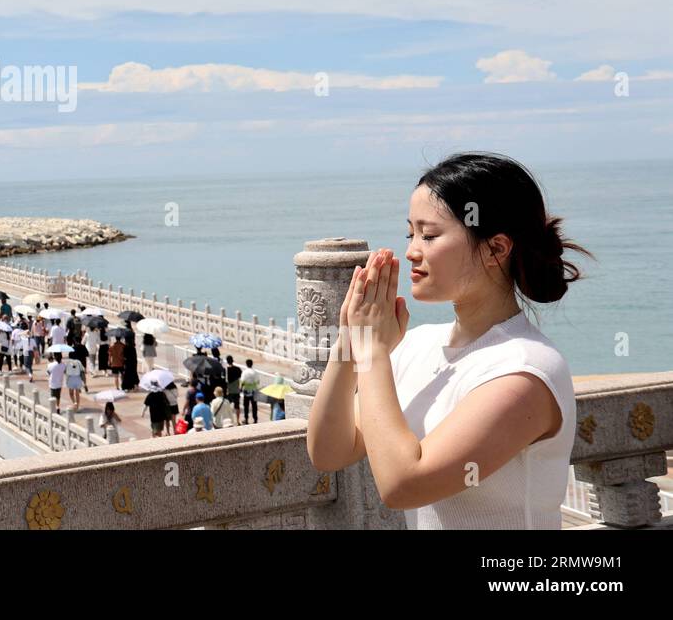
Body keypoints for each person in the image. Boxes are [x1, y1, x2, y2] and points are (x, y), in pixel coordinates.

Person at [305, 152, 586, 529]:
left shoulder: (526, 371)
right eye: (411, 233)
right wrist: (350, 343)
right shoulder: (418, 346)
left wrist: (373, 351)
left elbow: (404, 483)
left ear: (496, 249)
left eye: (430, 235)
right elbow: (329, 451)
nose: (411, 251)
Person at [241, 358, 261, 424]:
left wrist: (241, 388)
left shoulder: (244, 372)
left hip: (246, 391)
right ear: (252, 364)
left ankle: (246, 419)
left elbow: (242, 381)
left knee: (246, 406)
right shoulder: (255, 372)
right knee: (254, 406)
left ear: (246, 364)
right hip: (254, 391)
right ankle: (255, 419)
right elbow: (258, 382)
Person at [225, 355, 243, 420]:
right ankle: (238, 420)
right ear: (232, 360)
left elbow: (226, 381)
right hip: (236, 390)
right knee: (237, 406)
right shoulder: (238, 369)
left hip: (229, 391)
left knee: (227, 406)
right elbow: (241, 378)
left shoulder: (226, 370)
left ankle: (228, 419)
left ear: (227, 361)